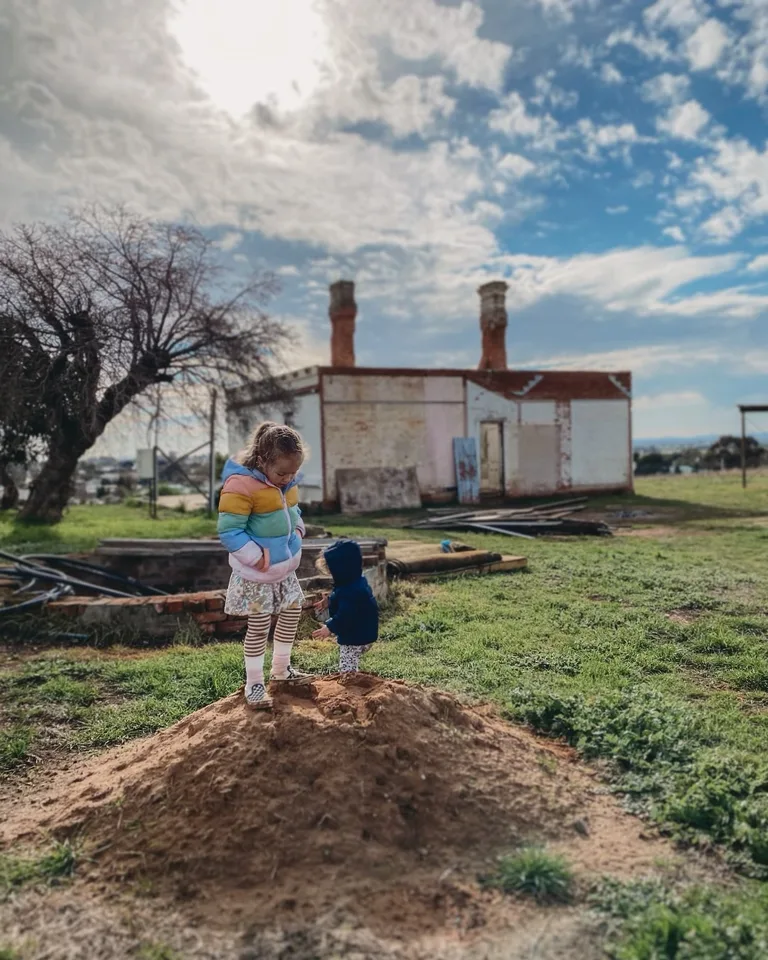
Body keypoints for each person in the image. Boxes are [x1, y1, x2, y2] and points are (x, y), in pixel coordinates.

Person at [218, 422, 312, 710]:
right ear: (262, 461)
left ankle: (281, 671)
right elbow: (229, 531)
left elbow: (293, 512)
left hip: (284, 568)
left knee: (292, 612)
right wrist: (258, 558)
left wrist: (298, 532)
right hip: (257, 573)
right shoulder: (240, 485)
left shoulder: (288, 481)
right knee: (258, 627)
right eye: (282, 472)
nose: (288, 478)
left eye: (294, 472)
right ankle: (254, 683)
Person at [312, 539, 379, 672]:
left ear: (341, 569)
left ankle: (350, 686)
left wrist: (329, 627)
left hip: (355, 636)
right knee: (351, 660)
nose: (330, 573)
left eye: (331, 569)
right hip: (363, 631)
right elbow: (347, 600)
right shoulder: (355, 582)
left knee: (347, 667)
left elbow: (346, 614)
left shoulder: (350, 590)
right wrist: (329, 601)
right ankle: (356, 680)